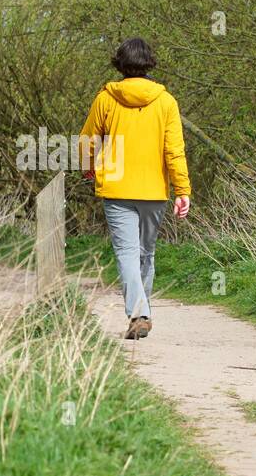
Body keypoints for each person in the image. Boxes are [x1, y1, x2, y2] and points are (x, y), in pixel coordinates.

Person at [79, 37, 191, 339]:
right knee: (145, 253)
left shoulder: (106, 98)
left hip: (117, 188)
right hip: (154, 190)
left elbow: (88, 140)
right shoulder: (166, 102)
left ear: (120, 64)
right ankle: (141, 311)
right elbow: (174, 150)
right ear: (149, 63)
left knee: (127, 253)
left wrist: (88, 166)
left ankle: (140, 312)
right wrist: (183, 190)